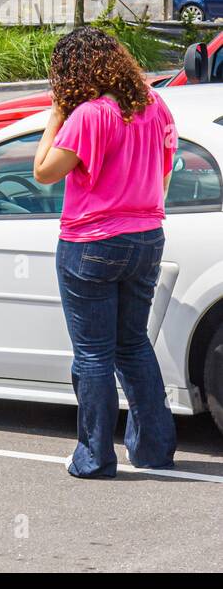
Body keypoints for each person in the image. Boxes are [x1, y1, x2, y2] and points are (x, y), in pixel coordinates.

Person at [33, 26, 178, 478]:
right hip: (147, 237)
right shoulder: (156, 107)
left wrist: (56, 115)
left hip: (91, 243)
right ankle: (153, 449)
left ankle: (94, 458)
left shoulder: (89, 116)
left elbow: (43, 172)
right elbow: (166, 172)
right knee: (133, 344)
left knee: (94, 354)